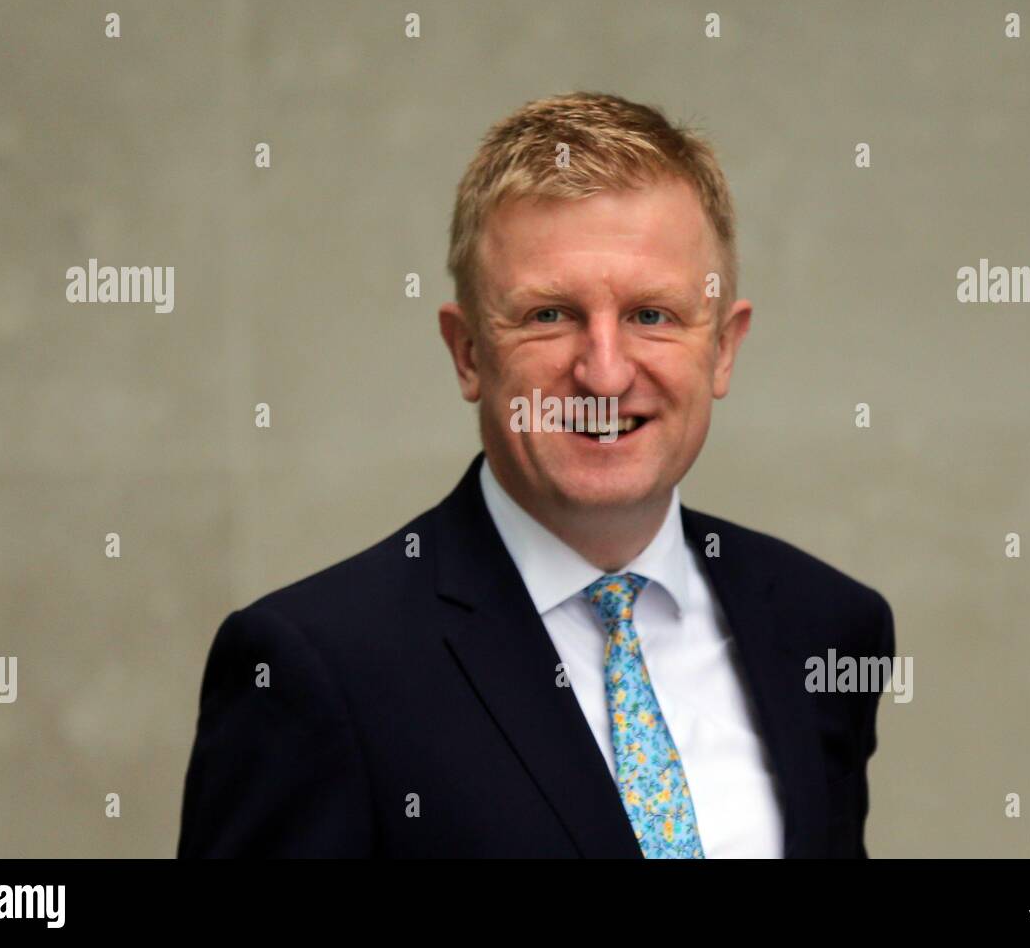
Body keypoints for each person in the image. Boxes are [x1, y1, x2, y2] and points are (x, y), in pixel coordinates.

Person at [178, 91, 894, 858]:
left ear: (723, 347)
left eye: (652, 314)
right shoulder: (314, 668)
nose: (605, 373)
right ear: (468, 353)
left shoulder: (824, 626)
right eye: (550, 315)